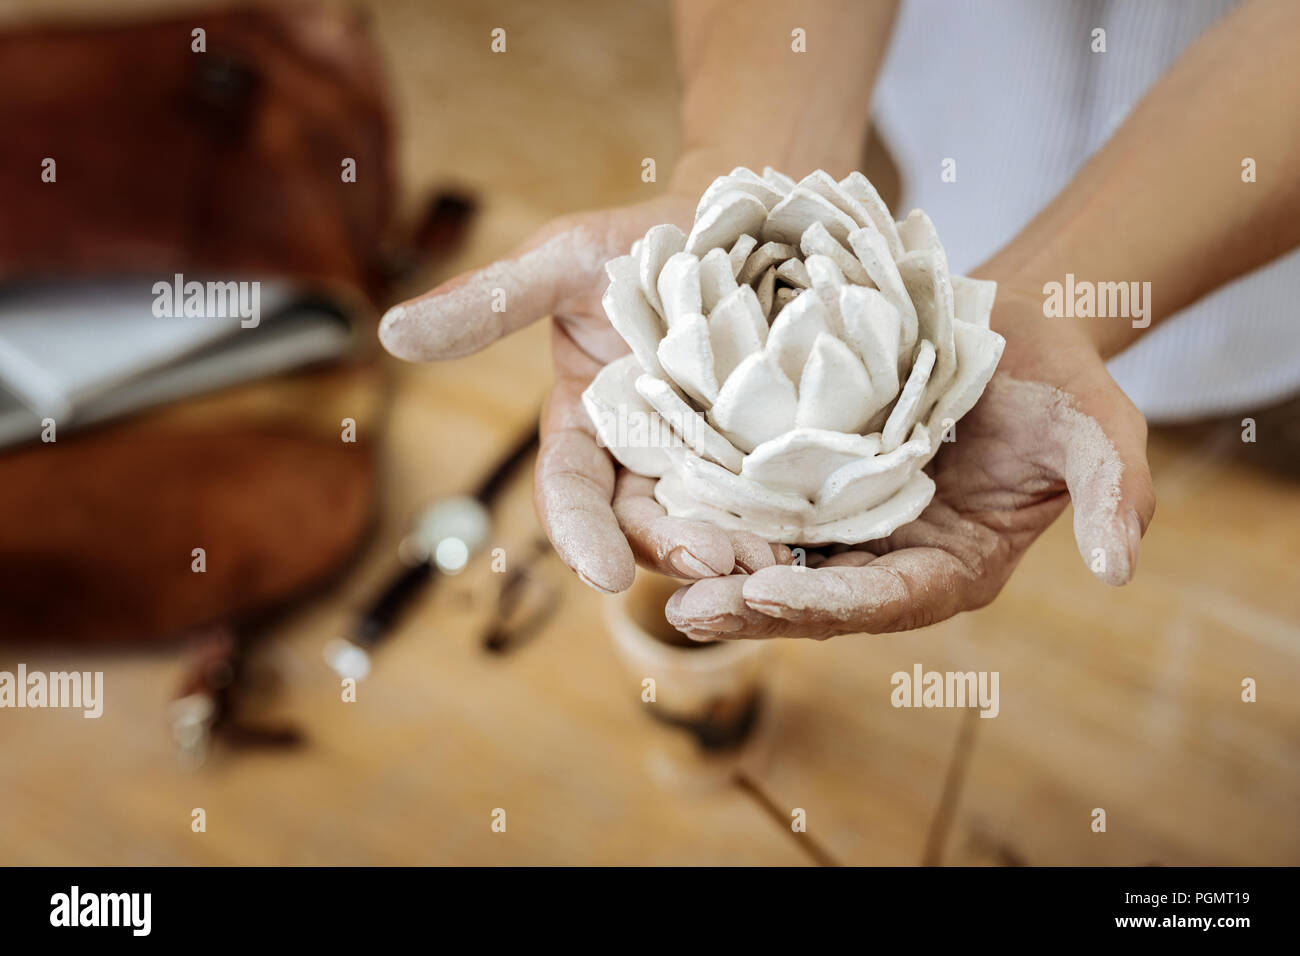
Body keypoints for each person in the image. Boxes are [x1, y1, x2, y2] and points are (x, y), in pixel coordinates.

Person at [379, 0, 1300, 640]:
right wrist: (743, 172)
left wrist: (1062, 301)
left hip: (1258, 243)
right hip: (967, 101)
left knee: (1218, 487)